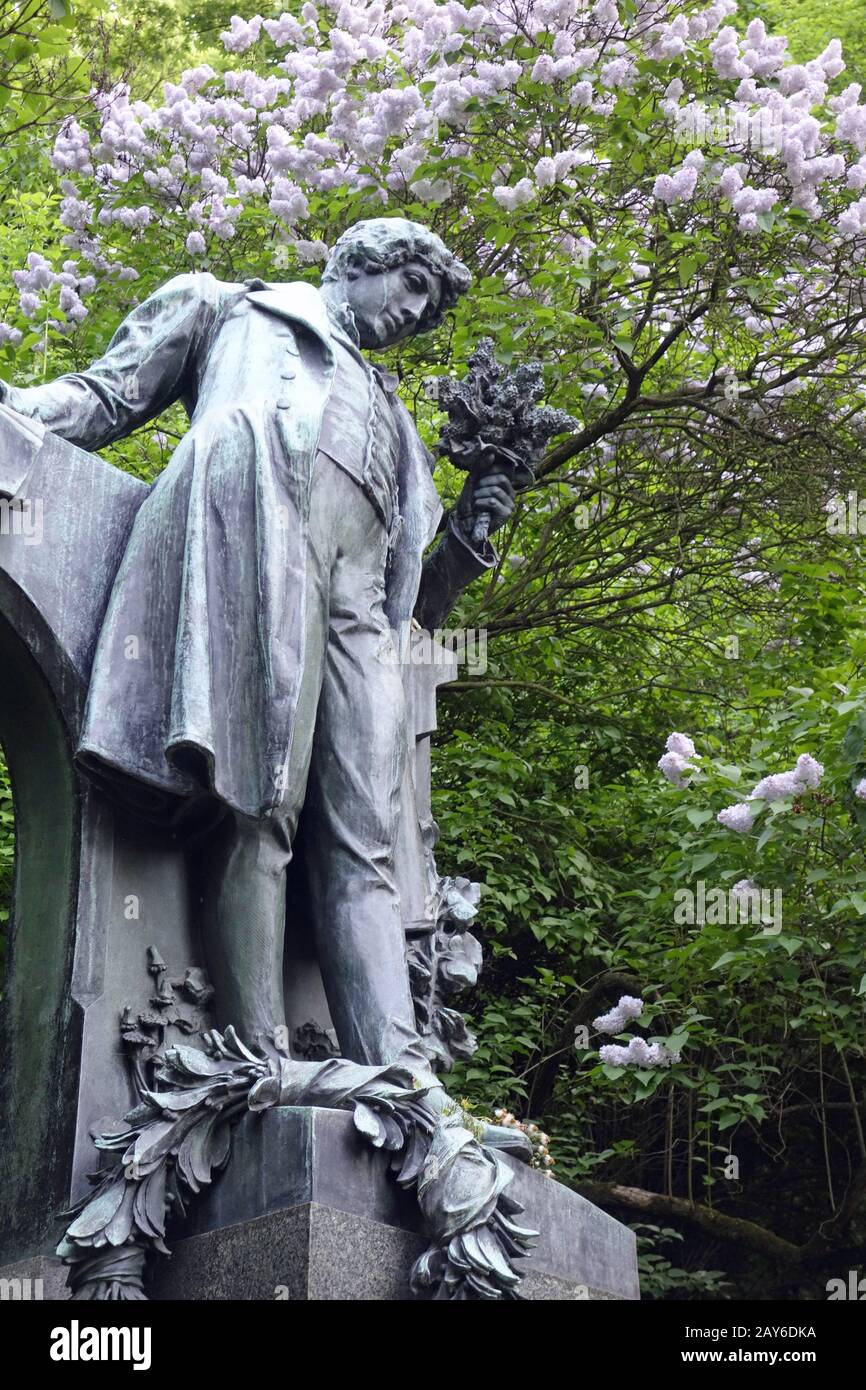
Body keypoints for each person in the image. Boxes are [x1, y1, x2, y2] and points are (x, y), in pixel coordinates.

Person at [0, 218, 516, 1080]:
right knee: (263, 806)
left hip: (360, 611)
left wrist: (467, 534)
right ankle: (257, 1061)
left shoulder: (395, 423)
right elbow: (105, 396)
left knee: (366, 846)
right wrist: (14, 408)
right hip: (260, 542)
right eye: (411, 289)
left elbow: (414, 603)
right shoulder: (229, 309)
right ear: (358, 263)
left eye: (428, 309)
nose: (414, 315)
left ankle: (400, 1077)